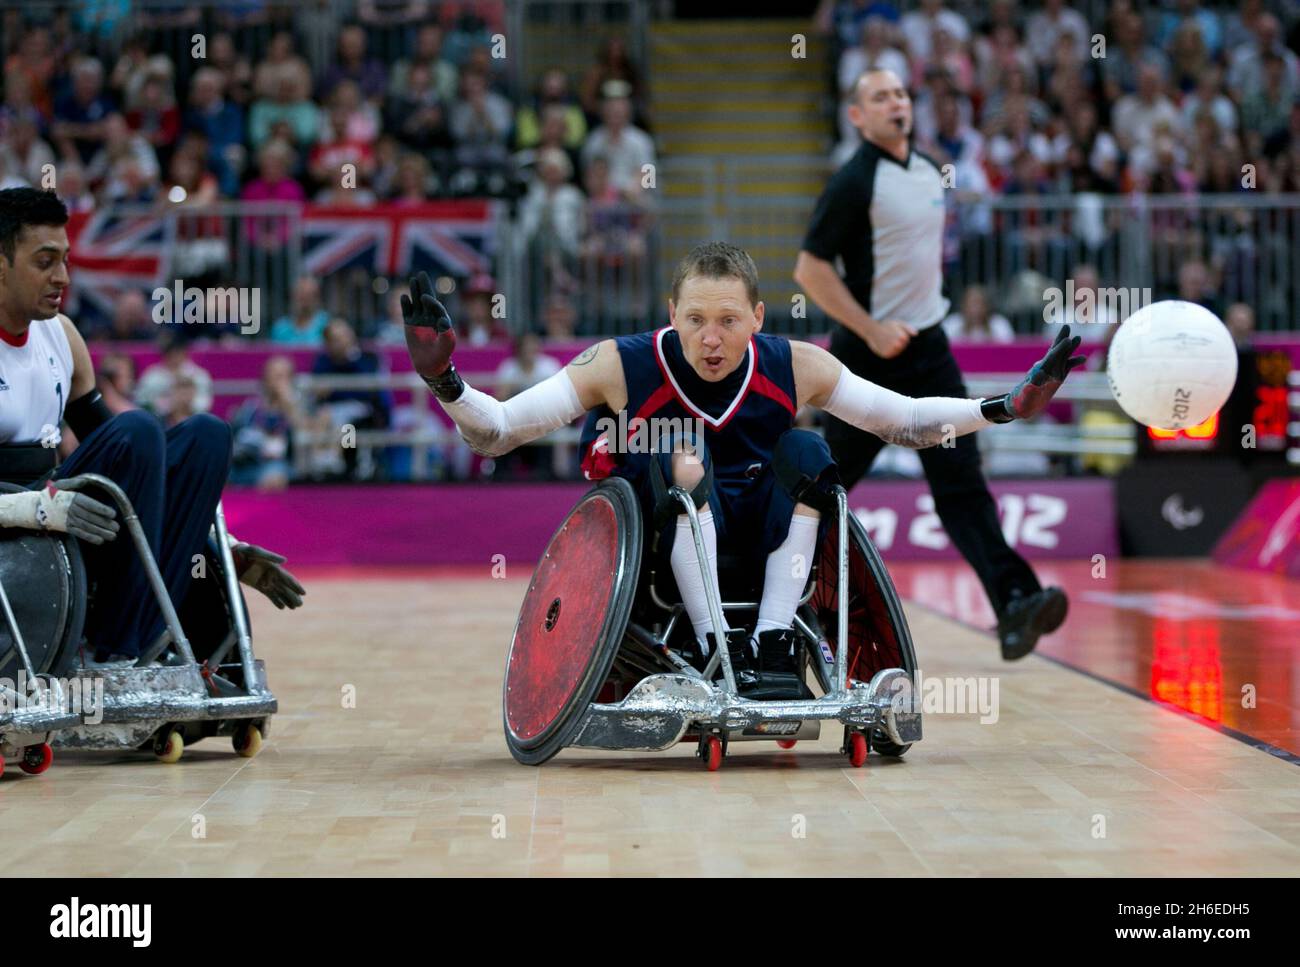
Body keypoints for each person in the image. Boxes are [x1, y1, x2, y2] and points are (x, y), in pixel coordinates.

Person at [402, 242, 1082, 697]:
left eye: (729, 319)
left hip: (764, 545)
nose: (711, 337)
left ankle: (776, 639)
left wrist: (1003, 406)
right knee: (682, 456)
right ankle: (712, 643)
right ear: (671, 314)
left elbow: (901, 419)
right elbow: (499, 432)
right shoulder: (619, 362)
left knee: (813, 453)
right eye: (695, 318)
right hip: (656, 562)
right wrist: (446, 381)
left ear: (758, 317)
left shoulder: (795, 363)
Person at [793, 69, 1071, 660]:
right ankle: (782, 601)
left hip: (929, 349)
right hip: (865, 356)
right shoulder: (852, 182)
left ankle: (1015, 605)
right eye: (879, 97)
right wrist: (869, 328)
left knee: (962, 485)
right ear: (857, 117)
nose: (895, 103)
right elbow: (810, 270)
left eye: (899, 93)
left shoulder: (926, 167)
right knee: (826, 485)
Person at [0, 188, 303, 666]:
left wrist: (223, 553)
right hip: (19, 531)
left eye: (64, 259)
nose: (62, 277)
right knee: (139, 429)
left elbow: (130, 465)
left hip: (65, 516)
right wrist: (36, 509)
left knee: (206, 435)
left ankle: (132, 644)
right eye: (44, 261)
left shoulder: (62, 336)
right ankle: (115, 650)